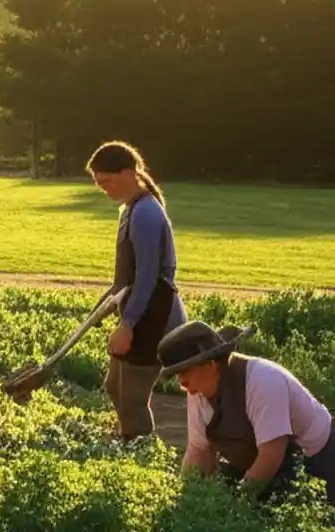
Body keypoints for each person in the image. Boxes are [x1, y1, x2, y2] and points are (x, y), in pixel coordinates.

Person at [159, 321, 335, 504]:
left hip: (318, 461)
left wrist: (240, 505)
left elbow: (272, 451)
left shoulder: (263, 382)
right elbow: (198, 450)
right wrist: (183, 500)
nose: (181, 380)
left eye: (185, 371)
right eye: (176, 373)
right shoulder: (198, 390)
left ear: (210, 365)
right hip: (259, 464)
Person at [86, 140, 188, 441]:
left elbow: (147, 277)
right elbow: (124, 280)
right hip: (138, 311)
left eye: (107, 180)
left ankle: (139, 452)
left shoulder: (145, 214)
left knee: (131, 396)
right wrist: (100, 310)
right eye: (98, 183)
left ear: (129, 173)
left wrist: (127, 324)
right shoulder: (131, 210)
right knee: (114, 387)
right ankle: (129, 441)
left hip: (152, 317)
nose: (103, 188)